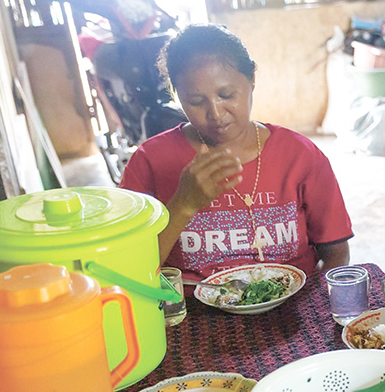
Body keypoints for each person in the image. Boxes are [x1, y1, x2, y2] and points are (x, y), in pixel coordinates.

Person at [120, 23, 352, 281]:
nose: (216, 114)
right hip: (193, 312)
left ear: (252, 78)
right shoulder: (150, 161)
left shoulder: (299, 155)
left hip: (293, 306)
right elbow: (126, 269)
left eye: (226, 94)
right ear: (176, 94)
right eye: (196, 102)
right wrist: (183, 205)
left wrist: (317, 306)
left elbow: (336, 252)